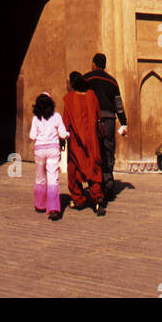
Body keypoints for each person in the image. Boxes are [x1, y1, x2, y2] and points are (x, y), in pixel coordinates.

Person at [83, 52, 128, 201]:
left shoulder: (87, 79)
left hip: (92, 119)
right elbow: (118, 104)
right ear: (105, 65)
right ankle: (108, 180)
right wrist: (124, 122)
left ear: (94, 64)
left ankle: (95, 184)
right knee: (108, 149)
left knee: (93, 150)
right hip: (108, 119)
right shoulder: (112, 82)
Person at [63, 72, 105, 215]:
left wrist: (62, 139)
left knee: (74, 170)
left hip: (77, 143)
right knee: (94, 168)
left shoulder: (69, 99)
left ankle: (78, 199)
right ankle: (98, 197)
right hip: (92, 141)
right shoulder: (92, 96)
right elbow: (99, 115)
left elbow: (66, 123)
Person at [28, 92, 67, 220]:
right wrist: (68, 134)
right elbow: (62, 134)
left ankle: (40, 205)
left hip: (39, 151)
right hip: (53, 150)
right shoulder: (56, 116)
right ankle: (53, 208)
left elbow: (32, 136)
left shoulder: (36, 119)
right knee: (53, 178)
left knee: (40, 178)